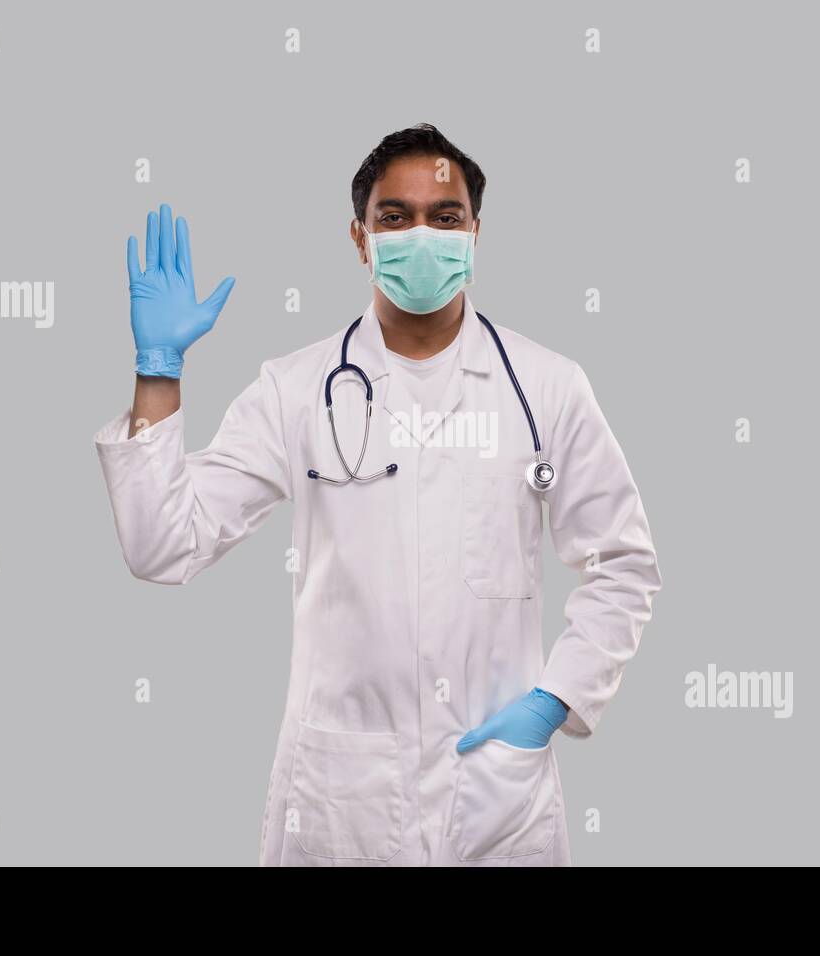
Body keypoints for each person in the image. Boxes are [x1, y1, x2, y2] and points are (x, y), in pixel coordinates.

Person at [93, 124, 662, 866]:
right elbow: (163, 546)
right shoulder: (295, 391)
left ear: (476, 233)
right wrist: (158, 369)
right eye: (395, 217)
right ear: (361, 238)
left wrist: (556, 699)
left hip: (496, 795)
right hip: (339, 799)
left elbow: (624, 563)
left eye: (444, 216)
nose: (420, 235)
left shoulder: (546, 388)